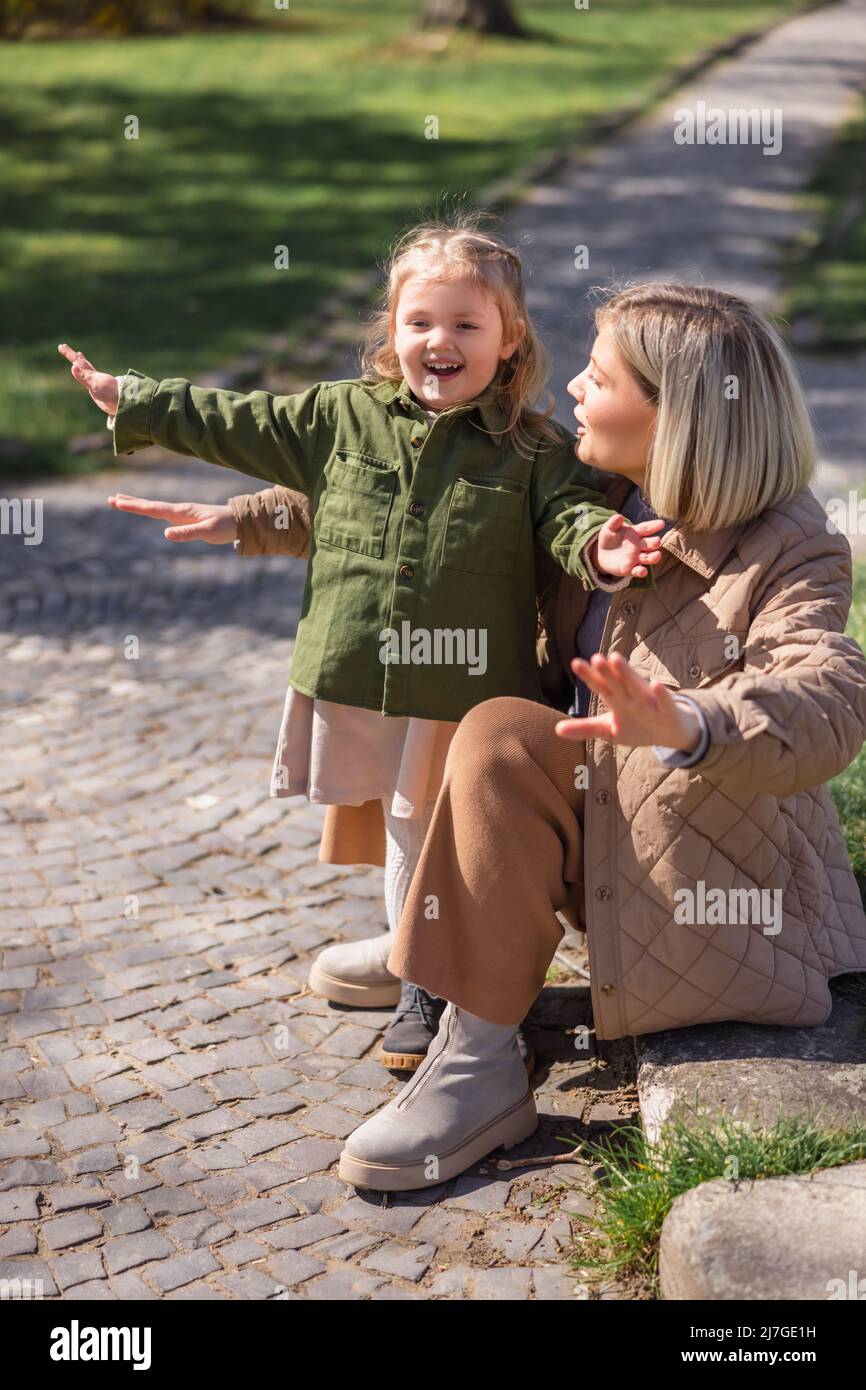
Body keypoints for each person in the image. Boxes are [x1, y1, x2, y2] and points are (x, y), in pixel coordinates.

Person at [57, 214, 665, 1075]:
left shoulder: (533, 447)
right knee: (402, 829)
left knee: (441, 830)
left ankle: (439, 981)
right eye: (419, 322)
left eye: (465, 325)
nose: (438, 341)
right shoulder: (339, 415)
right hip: (362, 674)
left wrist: (601, 543)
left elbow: (567, 517)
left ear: (509, 338)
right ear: (392, 331)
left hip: (467, 689)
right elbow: (243, 421)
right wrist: (138, 400)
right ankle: (415, 962)